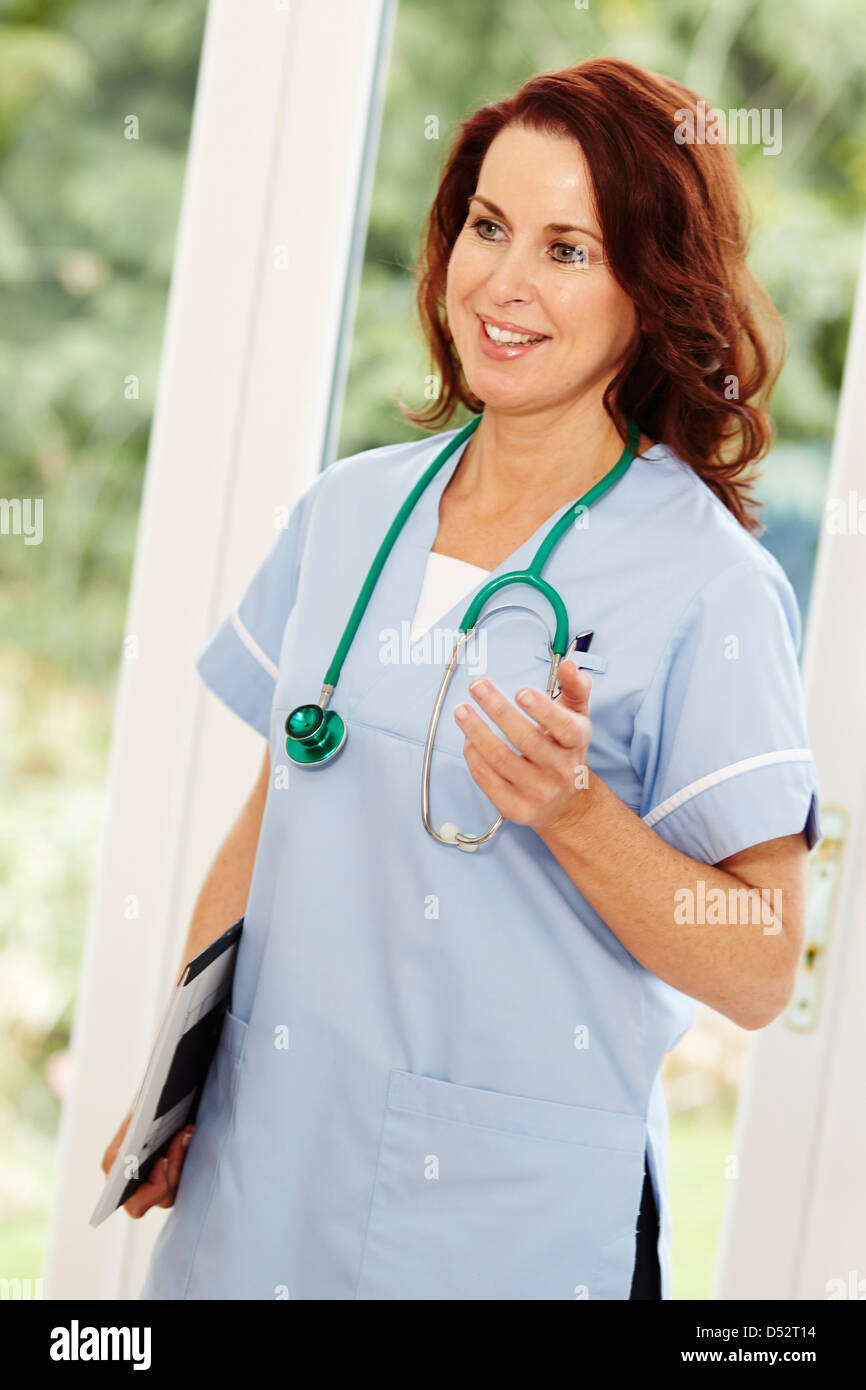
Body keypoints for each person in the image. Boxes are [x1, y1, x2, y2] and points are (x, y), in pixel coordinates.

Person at [103, 56, 820, 1300]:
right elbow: (275, 812)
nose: (501, 281)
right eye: (487, 227)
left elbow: (760, 964)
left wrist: (576, 811)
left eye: (565, 249)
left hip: (510, 1225)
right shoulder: (347, 512)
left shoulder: (705, 581)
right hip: (265, 1180)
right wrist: (177, 1086)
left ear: (648, 286)